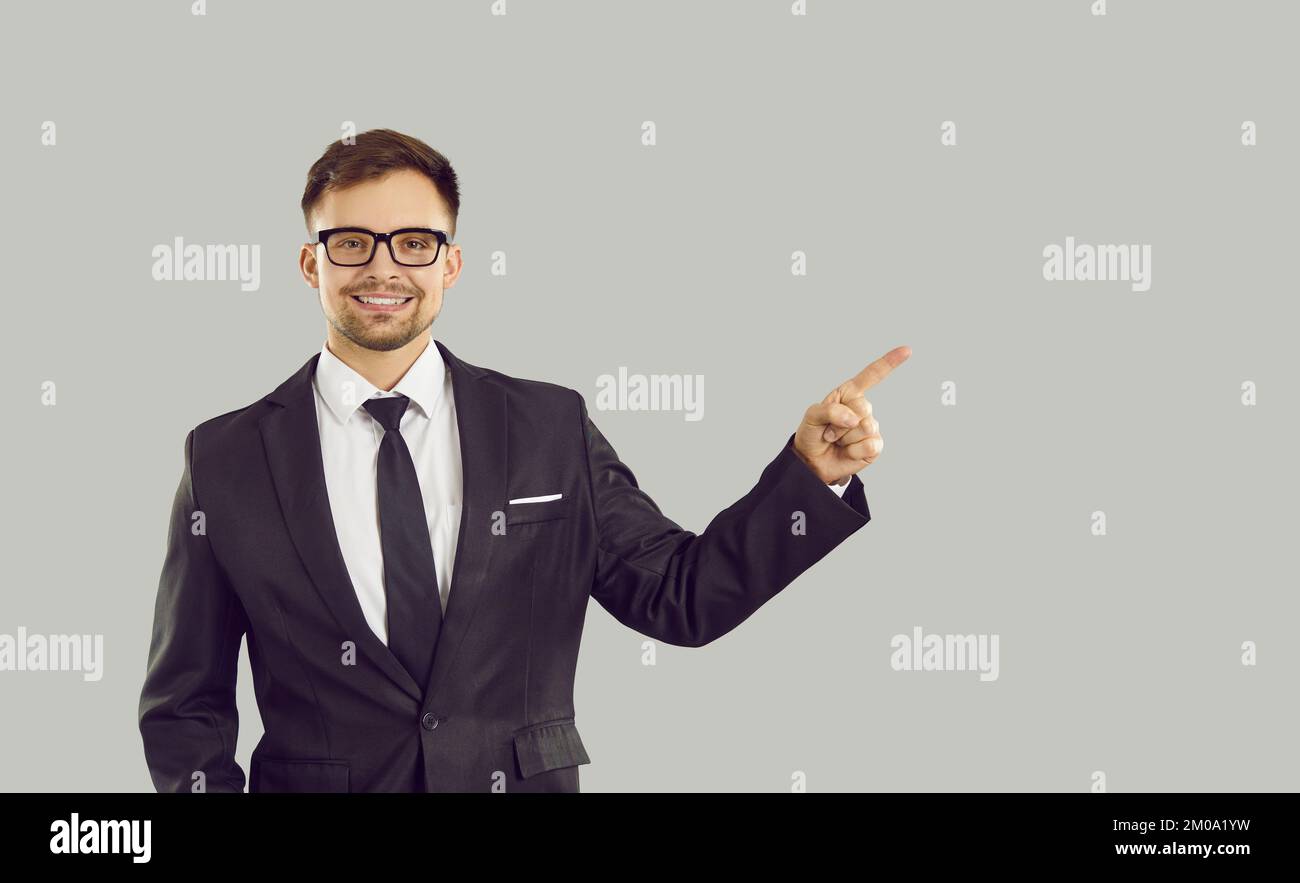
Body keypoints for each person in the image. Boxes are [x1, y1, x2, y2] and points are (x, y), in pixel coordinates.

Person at [137, 128, 910, 793]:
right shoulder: (227, 456)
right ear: (313, 264)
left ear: (451, 263)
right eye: (350, 242)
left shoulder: (547, 425)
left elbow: (681, 597)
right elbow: (185, 706)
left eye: (414, 242)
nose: (383, 268)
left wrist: (811, 478)